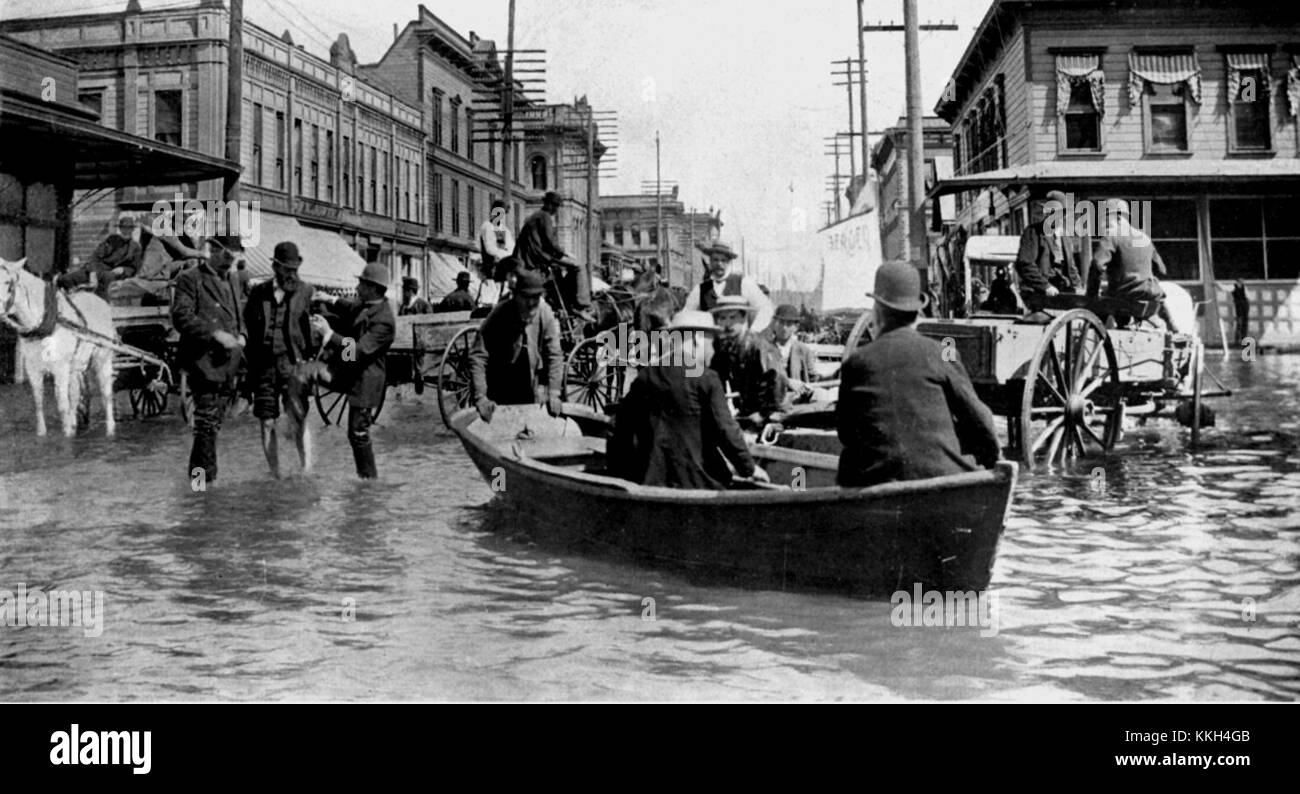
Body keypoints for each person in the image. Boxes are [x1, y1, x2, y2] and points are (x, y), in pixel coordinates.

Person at [837, 262, 1001, 488]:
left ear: (878, 312)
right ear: (916, 313)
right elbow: (981, 418)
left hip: (875, 484)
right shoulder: (941, 353)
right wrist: (991, 462)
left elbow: (846, 433)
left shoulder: (856, 362)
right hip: (943, 481)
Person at [608, 309, 768, 489]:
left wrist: (618, 475)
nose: (713, 352)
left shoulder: (646, 376)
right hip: (700, 484)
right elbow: (726, 430)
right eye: (711, 344)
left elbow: (619, 427)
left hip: (651, 482)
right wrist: (750, 469)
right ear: (696, 340)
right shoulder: (707, 378)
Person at [171, 235, 246, 485]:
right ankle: (202, 484)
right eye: (226, 256)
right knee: (205, 423)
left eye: (234, 257)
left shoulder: (233, 279)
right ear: (212, 250)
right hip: (201, 361)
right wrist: (214, 334)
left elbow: (238, 313)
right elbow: (181, 316)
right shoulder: (191, 279)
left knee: (212, 426)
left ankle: (200, 480)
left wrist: (242, 334)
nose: (230, 262)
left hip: (228, 364)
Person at [310, 264, 396, 479]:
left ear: (373, 288)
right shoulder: (368, 305)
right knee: (312, 372)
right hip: (351, 370)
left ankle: (369, 481)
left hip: (366, 379)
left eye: (361, 283)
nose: (357, 287)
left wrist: (329, 334)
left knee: (358, 433)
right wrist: (329, 299)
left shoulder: (384, 320)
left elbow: (358, 350)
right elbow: (350, 308)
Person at [244, 241, 318, 478]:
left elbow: (310, 328)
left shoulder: (305, 291)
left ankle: (306, 468)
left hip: (293, 365)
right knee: (266, 421)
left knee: (298, 418)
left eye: (295, 269)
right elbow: (249, 327)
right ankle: (276, 473)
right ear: (275, 266)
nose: (292, 274)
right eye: (287, 269)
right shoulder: (258, 292)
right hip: (264, 366)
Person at [468, 267, 564, 422]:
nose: (531, 302)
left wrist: (554, 393)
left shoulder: (545, 313)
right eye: (526, 297)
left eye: (536, 297)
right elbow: (478, 355)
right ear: (516, 295)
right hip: (500, 382)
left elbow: (554, 355)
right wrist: (481, 397)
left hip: (528, 383)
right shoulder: (500, 313)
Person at [1087, 199, 1181, 333]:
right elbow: (1162, 269)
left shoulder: (1112, 235)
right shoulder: (1143, 237)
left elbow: (1097, 264)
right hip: (1151, 294)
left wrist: (1091, 294)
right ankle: (1170, 327)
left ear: (1118, 217)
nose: (1103, 224)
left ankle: (1095, 336)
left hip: (1125, 295)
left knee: (1100, 305)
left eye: (1105, 219)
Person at [709, 295, 787, 429]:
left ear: (744, 318)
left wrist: (763, 413)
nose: (727, 324)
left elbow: (778, 380)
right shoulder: (724, 347)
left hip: (771, 415)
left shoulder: (760, 346)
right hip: (745, 413)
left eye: (732, 318)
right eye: (723, 318)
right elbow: (716, 380)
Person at [514, 191, 585, 313]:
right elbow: (550, 243)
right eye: (556, 206)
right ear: (550, 205)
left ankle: (565, 300)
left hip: (531, 257)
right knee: (579, 266)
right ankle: (582, 304)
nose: (556, 210)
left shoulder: (535, 216)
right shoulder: (544, 217)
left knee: (561, 270)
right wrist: (564, 253)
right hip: (538, 257)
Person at [683, 240, 775, 333]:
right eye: (715, 260)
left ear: (729, 262)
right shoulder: (700, 289)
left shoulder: (743, 283)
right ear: (710, 261)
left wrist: (753, 331)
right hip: (710, 343)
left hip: (738, 343)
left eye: (723, 260)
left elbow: (766, 308)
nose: (719, 264)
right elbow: (685, 315)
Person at [1015, 189, 1083, 308]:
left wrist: (1079, 287)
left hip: (1063, 291)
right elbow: (1024, 264)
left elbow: (1071, 267)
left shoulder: (1065, 236)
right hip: (1038, 293)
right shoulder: (1033, 233)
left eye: (1062, 213)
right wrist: (1045, 286)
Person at [60, 213, 143, 299]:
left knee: (107, 281)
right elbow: (95, 257)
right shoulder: (111, 240)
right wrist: (92, 271)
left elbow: (134, 268)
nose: (126, 231)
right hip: (98, 270)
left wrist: (123, 270)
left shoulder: (136, 247)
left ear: (132, 230)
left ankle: (103, 306)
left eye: (129, 228)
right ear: (120, 229)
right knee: (66, 279)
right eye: (124, 228)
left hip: (114, 276)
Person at [769, 303, 819, 390]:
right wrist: (787, 382)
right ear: (774, 324)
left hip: (797, 400)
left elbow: (813, 379)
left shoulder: (804, 351)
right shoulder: (763, 349)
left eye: (789, 324)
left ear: (796, 327)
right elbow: (759, 378)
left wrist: (835, 375)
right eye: (781, 322)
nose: (784, 328)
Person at [478, 198, 517, 283]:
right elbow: (490, 248)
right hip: (492, 268)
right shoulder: (487, 226)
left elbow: (512, 247)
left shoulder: (505, 230)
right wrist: (505, 255)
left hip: (506, 265)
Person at [1232, 278, 1250, 345]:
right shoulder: (1233, 287)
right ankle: (1237, 341)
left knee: (1244, 324)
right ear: (1237, 282)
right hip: (1239, 307)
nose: (1241, 283)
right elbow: (1225, 288)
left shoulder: (1244, 288)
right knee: (1239, 324)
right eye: (1239, 282)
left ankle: (1243, 340)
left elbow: (1248, 296)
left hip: (1245, 306)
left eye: (1242, 282)